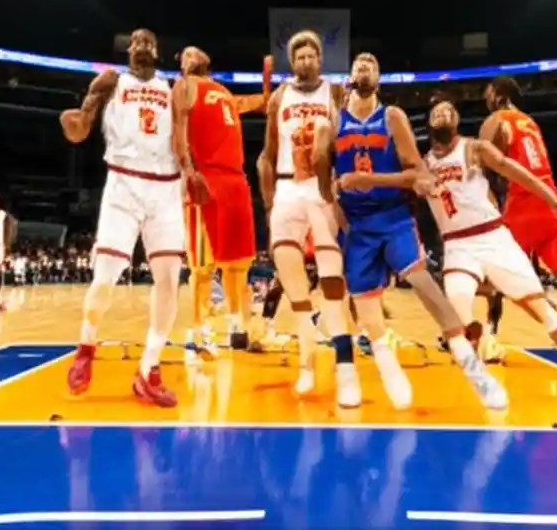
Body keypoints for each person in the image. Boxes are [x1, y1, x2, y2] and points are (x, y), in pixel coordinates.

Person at [329, 53, 508, 410]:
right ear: (349, 75)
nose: (364, 66)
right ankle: (386, 366)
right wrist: (338, 217)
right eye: (359, 63)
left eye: (372, 63)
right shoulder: (333, 123)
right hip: (358, 226)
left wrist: (369, 179)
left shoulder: (391, 117)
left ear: (379, 78)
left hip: (393, 217)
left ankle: (474, 372)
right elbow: (326, 183)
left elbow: (418, 174)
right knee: (367, 311)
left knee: (426, 286)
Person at [425, 98, 557, 408]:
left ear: (457, 120)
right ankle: (482, 381)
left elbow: (512, 169)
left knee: (542, 309)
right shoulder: (423, 165)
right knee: (458, 318)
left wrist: (552, 199)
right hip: (457, 245)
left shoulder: (474, 148)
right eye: (436, 111)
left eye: (449, 110)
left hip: (493, 236)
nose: (443, 113)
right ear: (430, 123)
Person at [59, 28, 188, 407]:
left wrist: (190, 173)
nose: (143, 46)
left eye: (149, 41)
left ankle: (149, 369)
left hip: (166, 187)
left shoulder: (172, 87)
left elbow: (182, 136)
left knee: (169, 281)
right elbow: (82, 127)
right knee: (104, 280)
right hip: (124, 183)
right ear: (128, 50)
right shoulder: (111, 80)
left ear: (158, 50)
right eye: (137, 42)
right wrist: (75, 125)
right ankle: (86, 346)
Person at [479, 76, 557, 373]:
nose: (486, 99)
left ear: (499, 94)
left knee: (498, 278)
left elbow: (484, 160)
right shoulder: (529, 122)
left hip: (523, 202)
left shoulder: (496, 119)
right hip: (549, 200)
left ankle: (491, 338)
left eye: (488, 93)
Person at [258, 29, 352, 402]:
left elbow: (345, 144)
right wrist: (268, 204)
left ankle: (344, 362)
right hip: (286, 187)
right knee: (290, 276)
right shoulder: (280, 95)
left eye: (311, 55)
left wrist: (341, 191)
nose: (305, 61)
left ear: (320, 60)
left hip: (322, 186)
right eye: (298, 57)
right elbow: (266, 153)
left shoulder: (335, 93)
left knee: (331, 277)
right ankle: (307, 363)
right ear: (291, 62)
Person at [175, 47, 272, 362]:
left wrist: (268, 90)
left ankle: (236, 325)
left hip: (235, 180)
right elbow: (176, 134)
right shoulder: (184, 87)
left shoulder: (224, 92)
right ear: (181, 66)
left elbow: (257, 103)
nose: (192, 56)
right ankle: (199, 329)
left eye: (195, 53)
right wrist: (188, 171)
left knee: (238, 263)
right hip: (205, 179)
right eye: (185, 56)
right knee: (202, 266)